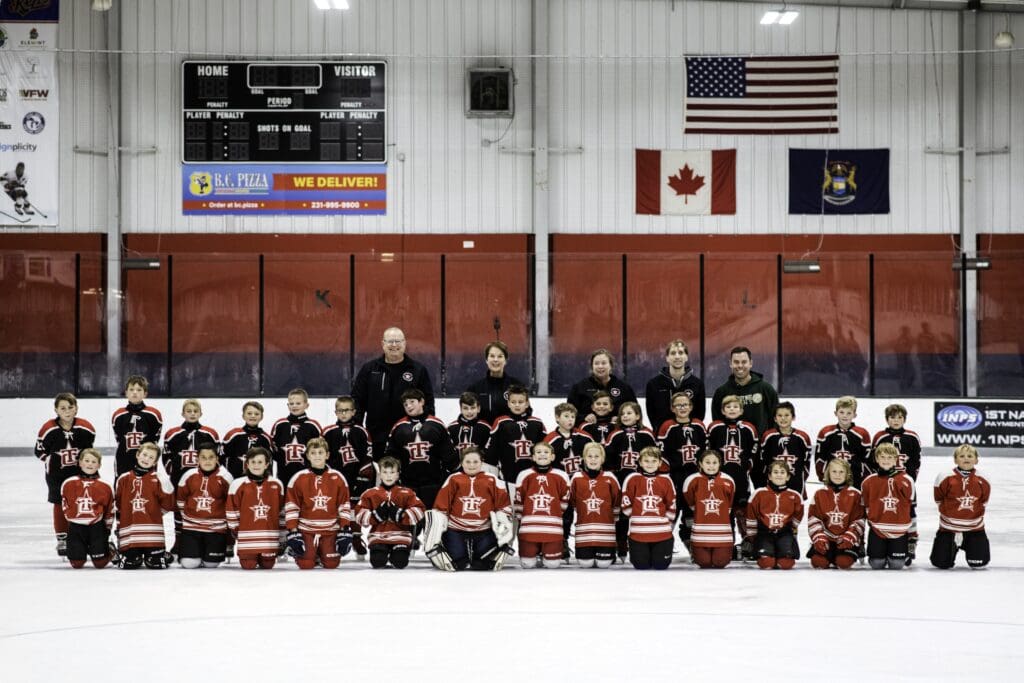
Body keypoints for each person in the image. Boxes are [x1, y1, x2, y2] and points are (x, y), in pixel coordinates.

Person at [424, 447, 514, 571]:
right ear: (462, 463)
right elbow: (441, 506)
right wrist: (438, 529)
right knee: (458, 563)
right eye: (468, 462)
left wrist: (502, 520)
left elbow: (503, 504)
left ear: (482, 462)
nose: (472, 465)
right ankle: (453, 552)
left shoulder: (492, 479)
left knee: (482, 564)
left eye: (475, 462)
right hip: (456, 529)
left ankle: (494, 551)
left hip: (483, 530)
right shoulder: (453, 479)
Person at [352, 327, 435, 456]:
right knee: (381, 473)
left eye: (398, 341)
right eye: (390, 341)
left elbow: (428, 402)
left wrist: (426, 430)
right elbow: (357, 401)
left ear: (404, 343)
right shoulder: (369, 369)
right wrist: (357, 430)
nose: (394, 345)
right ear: (383, 344)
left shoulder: (418, 370)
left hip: (409, 435)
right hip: (376, 436)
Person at [36, 392, 97, 558]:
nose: (67, 411)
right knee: (59, 503)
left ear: (76, 408)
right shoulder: (48, 429)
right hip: (57, 475)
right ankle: (62, 537)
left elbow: (89, 451)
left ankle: (80, 535)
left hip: (79, 474)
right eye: (62, 408)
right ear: (56, 409)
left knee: (80, 502)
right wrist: (53, 463)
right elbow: (39, 452)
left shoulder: (85, 427)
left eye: (70, 407)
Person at [283, 437, 354, 570]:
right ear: (307, 456)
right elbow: (292, 506)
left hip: (330, 529)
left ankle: (321, 552)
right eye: (313, 453)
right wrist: (293, 531)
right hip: (307, 529)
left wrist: (345, 529)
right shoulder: (299, 477)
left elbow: (344, 504)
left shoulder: (338, 477)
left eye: (320, 453)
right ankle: (308, 552)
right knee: (306, 564)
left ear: (327, 455)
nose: (317, 456)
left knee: (332, 564)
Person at [385, 388, 458, 513]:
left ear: (422, 402)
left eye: (412, 402)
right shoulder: (398, 427)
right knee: (410, 522)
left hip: (433, 485)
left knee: (432, 523)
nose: (408, 406)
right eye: (405, 404)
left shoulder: (436, 424)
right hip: (408, 485)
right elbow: (391, 457)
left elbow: (449, 455)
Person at [163, 398, 220, 555]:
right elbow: (166, 456)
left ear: (201, 413)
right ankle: (179, 539)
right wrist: (174, 474)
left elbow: (217, 456)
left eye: (195, 411)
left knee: (199, 505)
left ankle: (199, 538)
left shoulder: (209, 433)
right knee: (178, 508)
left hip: (201, 479)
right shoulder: (172, 433)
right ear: (183, 413)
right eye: (189, 411)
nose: (192, 414)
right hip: (179, 478)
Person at [323, 395, 375, 557]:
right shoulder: (328, 432)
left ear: (354, 412)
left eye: (347, 410)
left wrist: (363, 478)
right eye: (340, 411)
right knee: (335, 509)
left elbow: (368, 456)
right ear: (335, 412)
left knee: (354, 509)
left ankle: (357, 538)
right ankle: (335, 540)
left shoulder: (362, 432)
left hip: (356, 478)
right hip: (336, 478)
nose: (343, 414)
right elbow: (323, 456)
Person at [707, 394, 758, 559]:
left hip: (741, 478)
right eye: (728, 407)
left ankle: (747, 543)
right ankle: (726, 543)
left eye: (735, 407)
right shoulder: (715, 427)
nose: (732, 409)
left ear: (741, 410)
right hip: (720, 478)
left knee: (742, 510)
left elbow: (754, 449)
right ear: (722, 410)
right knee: (724, 511)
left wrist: (747, 466)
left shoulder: (749, 427)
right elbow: (709, 449)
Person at [354, 456, 426, 569]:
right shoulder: (370, 493)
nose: (388, 475)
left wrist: (401, 515)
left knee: (400, 562)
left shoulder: (407, 493)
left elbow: (420, 510)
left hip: (401, 536)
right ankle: (383, 552)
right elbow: (359, 514)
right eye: (385, 472)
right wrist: (375, 515)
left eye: (392, 472)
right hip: (378, 537)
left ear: (397, 474)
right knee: (378, 562)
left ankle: (396, 553)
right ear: (380, 474)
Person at [657, 392, 707, 551]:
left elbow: (706, 450)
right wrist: (668, 473)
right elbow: (661, 453)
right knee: (672, 509)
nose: (682, 408)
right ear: (672, 408)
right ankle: (662, 542)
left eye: (685, 404)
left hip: (695, 476)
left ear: (691, 407)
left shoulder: (699, 425)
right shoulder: (667, 426)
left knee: (691, 511)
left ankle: (691, 543)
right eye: (678, 405)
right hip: (676, 476)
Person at [872, 403, 923, 559]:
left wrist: (910, 481)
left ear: (904, 419)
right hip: (884, 483)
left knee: (909, 510)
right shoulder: (880, 436)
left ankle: (911, 541)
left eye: (900, 417)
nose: (896, 420)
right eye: (892, 417)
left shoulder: (912, 437)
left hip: (905, 484)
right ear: (887, 419)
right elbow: (873, 460)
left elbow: (916, 461)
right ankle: (883, 542)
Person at [114, 442, 175, 569]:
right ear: (137, 455)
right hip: (129, 535)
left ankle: (161, 554)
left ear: (155, 462)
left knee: (155, 563)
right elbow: (119, 505)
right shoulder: (123, 478)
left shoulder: (159, 479)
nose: (146, 459)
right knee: (130, 563)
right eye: (145, 455)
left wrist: (154, 514)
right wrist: (120, 529)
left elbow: (168, 503)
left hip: (153, 534)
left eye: (151, 457)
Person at [930, 444, 991, 570]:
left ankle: (968, 542)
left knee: (979, 563)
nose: (966, 458)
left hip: (974, 528)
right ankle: (951, 544)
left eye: (970, 456)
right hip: (948, 528)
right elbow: (939, 499)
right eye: (961, 456)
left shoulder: (983, 478)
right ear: (955, 459)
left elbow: (983, 501)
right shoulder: (945, 476)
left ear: (976, 460)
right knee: (940, 564)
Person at [175, 443, 233, 569]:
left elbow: (230, 503)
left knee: (211, 564)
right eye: (203, 457)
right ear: (197, 459)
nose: (207, 461)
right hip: (192, 528)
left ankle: (205, 553)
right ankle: (194, 552)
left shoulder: (225, 477)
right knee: (189, 564)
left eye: (211, 457)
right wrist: (188, 517)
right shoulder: (189, 475)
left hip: (216, 529)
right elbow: (180, 499)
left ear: (217, 459)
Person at [226, 447, 285, 570]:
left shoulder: (276, 484)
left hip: (270, 537)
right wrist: (236, 529)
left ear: (267, 464)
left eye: (260, 462)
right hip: (247, 537)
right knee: (248, 565)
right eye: (253, 462)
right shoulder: (238, 484)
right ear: (247, 464)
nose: (256, 465)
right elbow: (232, 509)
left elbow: (281, 510)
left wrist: (282, 534)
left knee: (268, 565)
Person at [514, 442, 571, 569]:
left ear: (552, 457)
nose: (542, 455)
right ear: (533, 457)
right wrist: (521, 518)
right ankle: (536, 552)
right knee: (527, 564)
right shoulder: (524, 474)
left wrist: (555, 515)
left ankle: (545, 552)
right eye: (538, 452)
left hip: (552, 529)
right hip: (529, 529)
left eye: (546, 452)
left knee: (552, 564)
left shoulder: (561, 475)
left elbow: (564, 500)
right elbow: (519, 500)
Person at [860, 443, 914, 570]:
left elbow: (911, 510)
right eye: (882, 457)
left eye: (889, 457)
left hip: (899, 530)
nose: (886, 460)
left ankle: (901, 552)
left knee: (897, 565)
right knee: (876, 564)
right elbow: (864, 509)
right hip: (877, 529)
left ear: (896, 459)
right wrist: (860, 541)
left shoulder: (906, 480)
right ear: (877, 459)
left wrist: (912, 539)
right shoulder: (868, 481)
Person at [621, 447, 676, 570]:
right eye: (646, 461)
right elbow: (625, 503)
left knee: (661, 565)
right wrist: (637, 518)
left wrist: (662, 522)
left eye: (654, 461)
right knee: (641, 565)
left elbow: (671, 504)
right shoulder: (632, 478)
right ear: (640, 462)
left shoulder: (666, 479)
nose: (650, 464)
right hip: (638, 533)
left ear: (660, 463)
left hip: (662, 534)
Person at [568, 443, 621, 568]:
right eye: (589, 456)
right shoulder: (576, 477)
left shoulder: (610, 477)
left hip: (605, 530)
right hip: (584, 530)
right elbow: (573, 500)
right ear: (584, 458)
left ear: (602, 459)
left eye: (596, 456)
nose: (593, 459)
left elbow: (617, 500)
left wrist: (613, 517)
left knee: (603, 564)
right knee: (585, 564)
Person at [60, 449, 114, 569]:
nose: (90, 464)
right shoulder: (68, 483)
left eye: (94, 462)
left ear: (99, 465)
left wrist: (107, 529)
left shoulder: (106, 485)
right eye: (87, 461)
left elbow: (110, 509)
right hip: (75, 526)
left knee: (100, 563)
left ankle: (108, 550)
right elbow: (65, 504)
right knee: (76, 563)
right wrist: (70, 518)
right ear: (80, 463)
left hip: (96, 527)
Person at [744, 460, 804, 569]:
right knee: (766, 563)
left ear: (788, 477)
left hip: (784, 533)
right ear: (769, 476)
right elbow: (751, 515)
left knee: (786, 564)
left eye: (782, 472)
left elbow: (798, 516)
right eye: (775, 472)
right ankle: (768, 551)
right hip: (764, 533)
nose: (779, 475)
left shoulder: (795, 496)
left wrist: (792, 532)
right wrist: (752, 537)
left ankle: (781, 550)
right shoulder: (759, 494)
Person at [807, 458, 864, 570]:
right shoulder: (820, 494)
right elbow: (813, 518)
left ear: (847, 474)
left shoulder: (856, 494)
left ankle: (842, 552)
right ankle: (826, 551)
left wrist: (849, 537)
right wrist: (819, 537)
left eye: (841, 472)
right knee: (818, 562)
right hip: (827, 537)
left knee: (843, 562)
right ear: (828, 473)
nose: (837, 475)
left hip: (846, 539)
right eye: (834, 472)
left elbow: (859, 519)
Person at [683, 450, 736, 569]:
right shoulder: (692, 480)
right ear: (700, 464)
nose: (711, 466)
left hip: (722, 532)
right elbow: (690, 502)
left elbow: (729, 505)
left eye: (714, 463)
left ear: (720, 464)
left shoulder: (728, 480)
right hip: (701, 531)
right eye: (707, 462)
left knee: (720, 562)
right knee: (703, 563)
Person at [710, 346, 778, 435]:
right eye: (736, 362)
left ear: (751, 363)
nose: (740, 366)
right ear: (730, 364)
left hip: (760, 447)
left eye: (744, 362)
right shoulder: (721, 392)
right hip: (731, 447)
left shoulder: (766, 389)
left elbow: (776, 420)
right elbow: (717, 425)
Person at [486, 385, 547, 483]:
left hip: (533, 476)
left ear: (527, 404)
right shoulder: (500, 422)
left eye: (521, 402)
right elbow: (492, 451)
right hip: (507, 476)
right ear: (508, 404)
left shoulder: (537, 423)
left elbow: (545, 449)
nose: (517, 405)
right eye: (513, 402)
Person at [645, 339, 706, 430]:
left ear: (686, 357)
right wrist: (661, 431)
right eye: (673, 353)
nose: (677, 357)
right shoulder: (654, 384)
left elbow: (700, 414)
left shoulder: (697, 384)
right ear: (667, 358)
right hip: (663, 436)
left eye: (681, 353)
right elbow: (652, 414)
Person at [566, 349, 637, 426]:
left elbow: (635, 412)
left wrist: (620, 418)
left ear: (611, 366)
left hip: (617, 431)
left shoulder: (624, 388)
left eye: (604, 363)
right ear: (592, 366)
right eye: (596, 363)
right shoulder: (579, 388)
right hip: (588, 432)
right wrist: (584, 417)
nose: (600, 366)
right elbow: (569, 413)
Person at [111, 375, 163, 479]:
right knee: (123, 489)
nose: (135, 392)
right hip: (124, 459)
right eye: (131, 389)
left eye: (139, 390)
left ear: (145, 394)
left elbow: (154, 441)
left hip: (147, 460)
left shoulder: (153, 414)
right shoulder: (118, 415)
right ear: (126, 393)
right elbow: (119, 439)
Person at [814, 395, 872, 488]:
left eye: (849, 413)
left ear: (855, 415)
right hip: (832, 479)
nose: (845, 416)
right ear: (835, 413)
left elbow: (867, 459)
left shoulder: (862, 433)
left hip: (856, 480)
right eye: (841, 412)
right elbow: (820, 457)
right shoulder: (825, 432)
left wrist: (864, 477)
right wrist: (823, 475)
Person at [270, 388, 322, 489]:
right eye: (291, 403)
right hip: (284, 475)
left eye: (298, 403)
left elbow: (321, 450)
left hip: (307, 475)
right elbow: (272, 448)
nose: (294, 406)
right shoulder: (280, 424)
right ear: (288, 405)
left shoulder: (313, 425)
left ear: (306, 405)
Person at [759, 401, 813, 496]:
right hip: (773, 483)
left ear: (793, 417)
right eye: (779, 415)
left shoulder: (803, 437)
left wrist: (800, 478)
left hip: (796, 484)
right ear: (775, 418)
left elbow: (806, 462)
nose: (783, 418)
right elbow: (763, 461)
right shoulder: (768, 436)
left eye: (787, 415)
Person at [465, 340, 526, 424]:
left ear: (506, 360)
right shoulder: (475, 388)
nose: (496, 360)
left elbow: (527, 412)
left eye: (500, 356)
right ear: (486, 360)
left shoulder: (517, 386)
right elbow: (466, 414)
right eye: (492, 356)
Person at [221, 401, 274, 479]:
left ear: (261, 417)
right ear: (243, 416)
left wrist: (268, 479)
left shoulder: (265, 438)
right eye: (249, 413)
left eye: (256, 414)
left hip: (258, 480)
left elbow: (269, 462)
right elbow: (221, 457)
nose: (253, 416)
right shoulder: (233, 435)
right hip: (235, 479)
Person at [447, 391, 492, 457]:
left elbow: (489, 452)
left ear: (478, 409)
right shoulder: (451, 428)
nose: (469, 411)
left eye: (473, 408)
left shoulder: (486, 428)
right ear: (461, 409)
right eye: (465, 408)